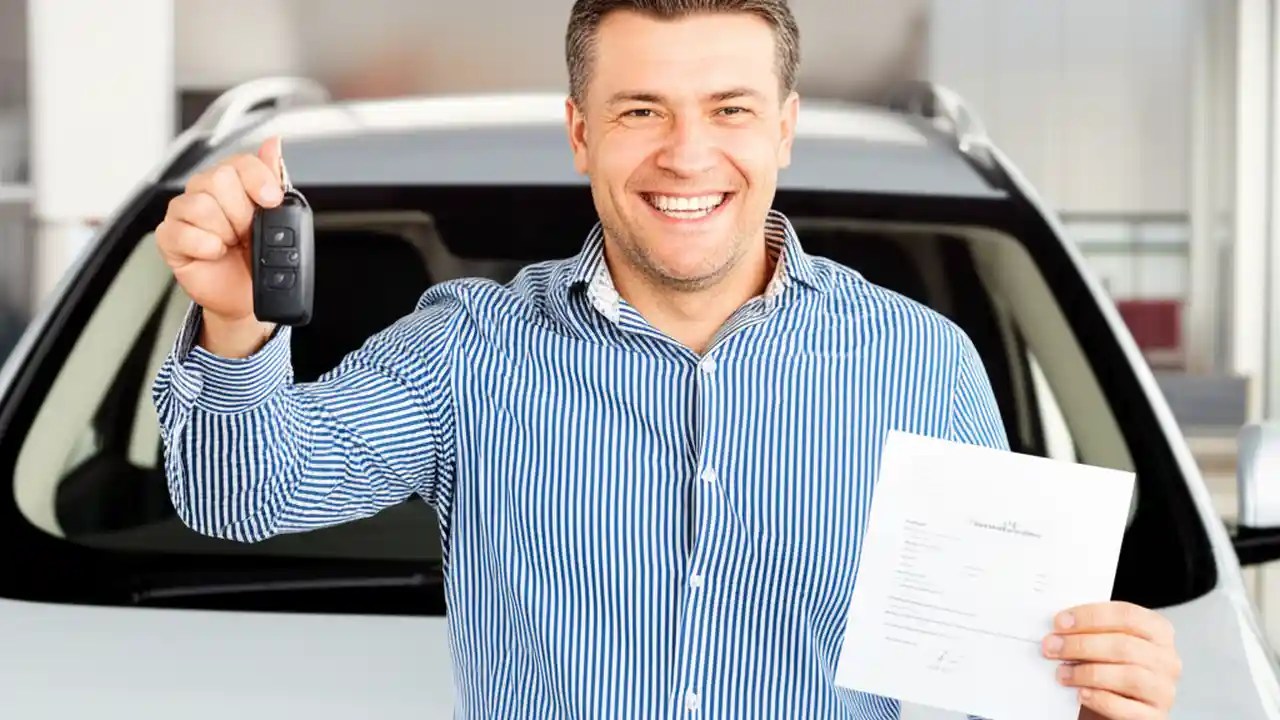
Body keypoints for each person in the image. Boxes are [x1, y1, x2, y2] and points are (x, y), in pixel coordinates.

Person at [151, 1, 1181, 718]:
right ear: (578, 133)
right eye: (640, 110)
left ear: (782, 129)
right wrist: (239, 325)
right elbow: (245, 494)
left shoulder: (922, 365)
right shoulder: (467, 349)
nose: (686, 154)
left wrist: (1088, 704)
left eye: (728, 110)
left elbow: (998, 687)